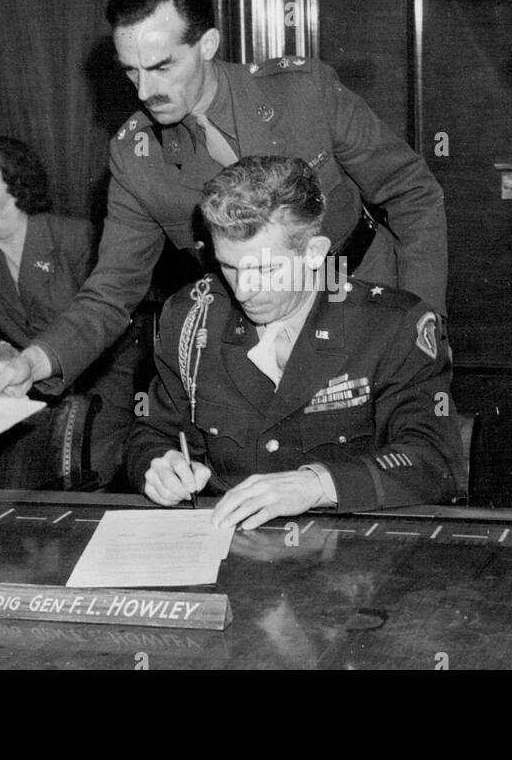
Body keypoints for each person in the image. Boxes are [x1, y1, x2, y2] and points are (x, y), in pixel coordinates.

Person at [0, 0, 449, 400]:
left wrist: (423, 322)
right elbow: (111, 289)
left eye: (162, 67)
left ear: (207, 44)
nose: (145, 92)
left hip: (365, 305)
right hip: (256, 337)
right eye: (131, 71)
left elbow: (413, 194)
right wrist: (35, 360)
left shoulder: (304, 93)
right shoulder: (136, 158)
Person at [127, 156, 459, 530]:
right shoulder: (191, 317)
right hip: (226, 542)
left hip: (352, 553)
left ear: (314, 252)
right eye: (229, 267)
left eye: (266, 269)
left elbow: (434, 460)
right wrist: (157, 465)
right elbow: (153, 432)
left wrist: (316, 484)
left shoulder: (392, 325)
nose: (244, 290)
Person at [0, 136, 138, 486]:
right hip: (17, 387)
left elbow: (107, 323)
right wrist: (1, 354)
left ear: (13, 180)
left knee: (80, 476)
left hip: (93, 383)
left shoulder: (75, 238)